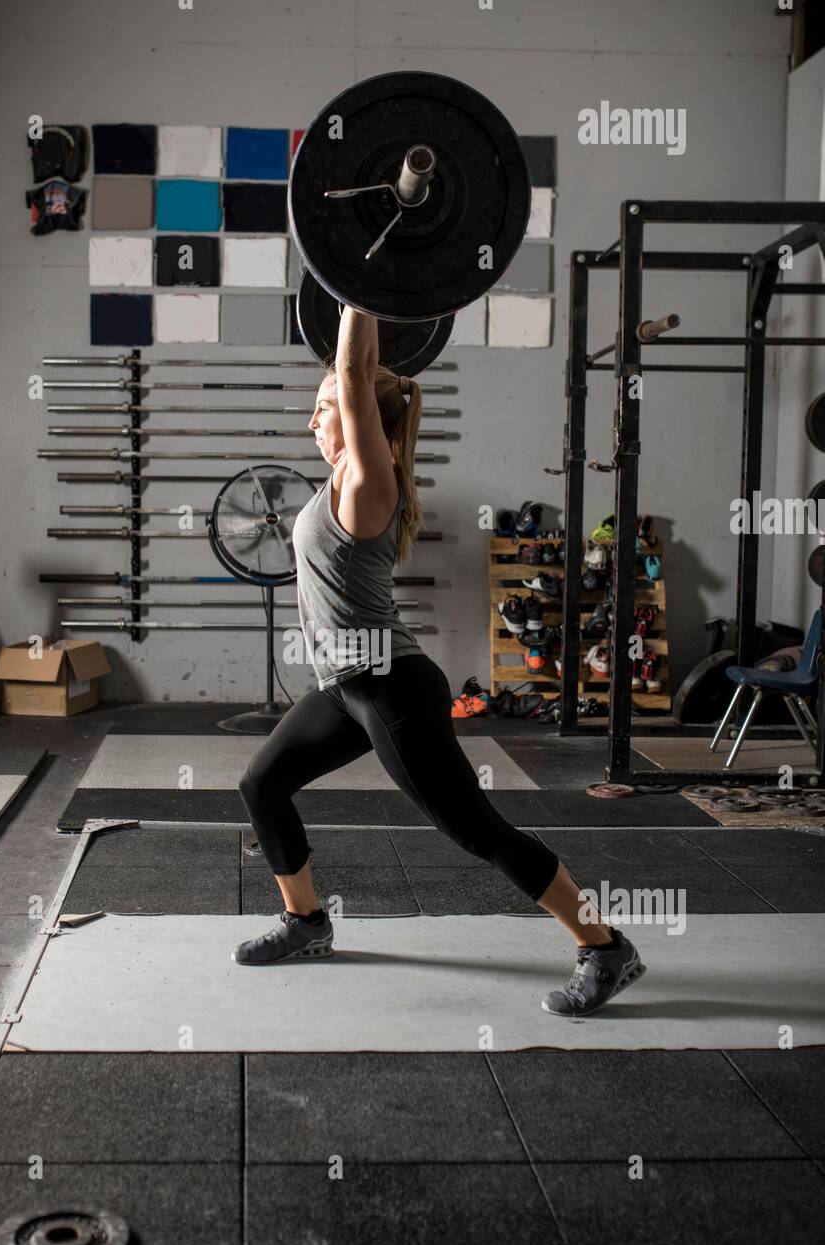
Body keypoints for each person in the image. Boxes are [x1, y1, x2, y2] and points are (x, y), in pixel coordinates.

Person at [234, 306, 646, 1018]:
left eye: (323, 409)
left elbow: (358, 371)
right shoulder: (339, 482)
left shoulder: (370, 481)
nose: (312, 421)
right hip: (343, 687)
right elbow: (351, 380)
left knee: (472, 828)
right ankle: (306, 923)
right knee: (262, 783)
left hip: (391, 686)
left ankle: (604, 946)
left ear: (362, 418)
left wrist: (357, 295)